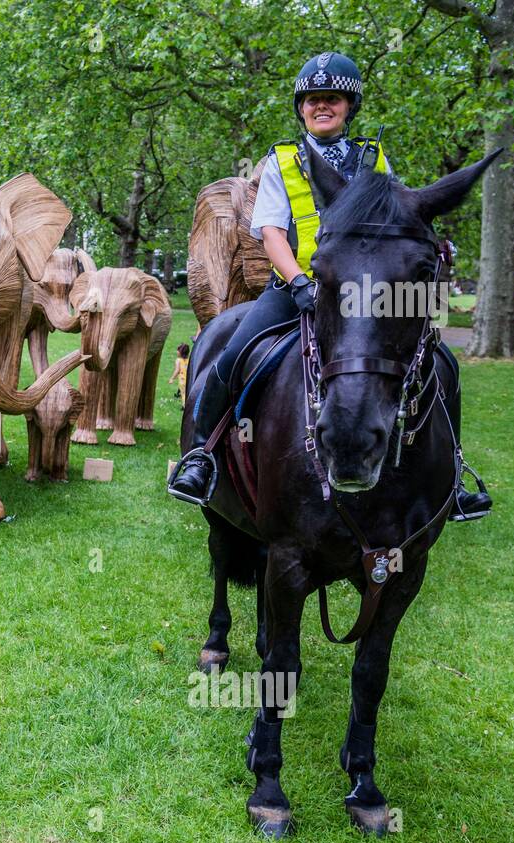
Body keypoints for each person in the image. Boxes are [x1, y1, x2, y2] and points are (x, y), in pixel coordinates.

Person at [168, 51, 491, 521]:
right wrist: (299, 282)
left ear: (349, 106)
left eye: (333, 99)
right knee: (231, 351)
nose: (323, 107)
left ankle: (455, 472)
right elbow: (273, 232)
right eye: (313, 100)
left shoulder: (374, 158)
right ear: (301, 107)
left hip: (362, 295)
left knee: (442, 362)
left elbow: (395, 217)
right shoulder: (282, 160)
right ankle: (200, 456)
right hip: (293, 287)